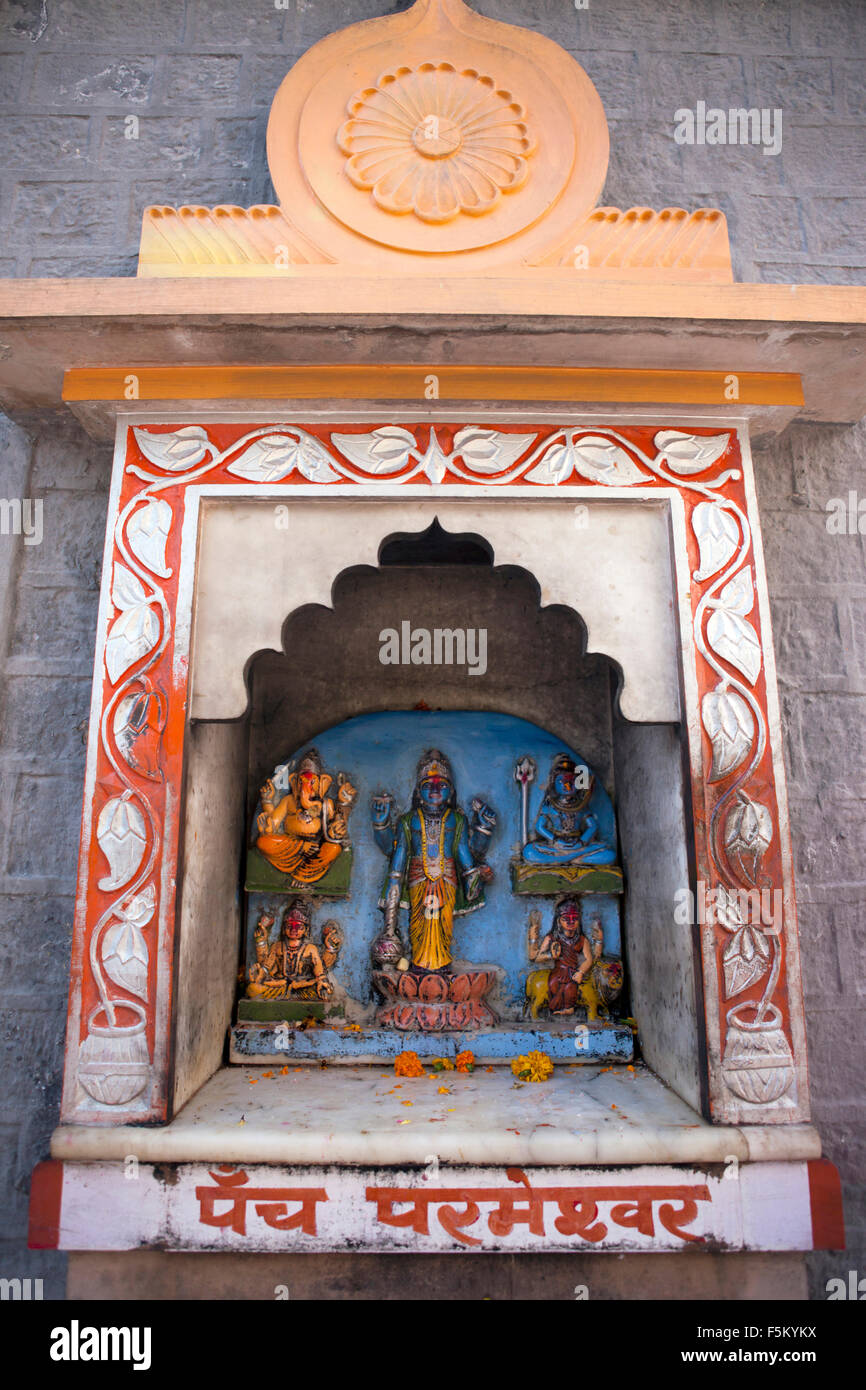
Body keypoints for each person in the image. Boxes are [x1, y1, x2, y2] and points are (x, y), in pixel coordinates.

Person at [371, 749, 494, 973]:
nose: (435, 789)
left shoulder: (457, 820)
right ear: (418, 791)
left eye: (442, 785)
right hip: (418, 879)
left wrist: (476, 874)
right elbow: (396, 854)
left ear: (451, 791)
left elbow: (465, 854)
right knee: (419, 924)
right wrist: (393, 882)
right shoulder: (408, 820)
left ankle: (442, 966)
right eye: (429, 785)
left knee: (443, 926)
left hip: (447, 879)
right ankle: (419, 966)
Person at [522, 752, 616, 865]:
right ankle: (575, 859)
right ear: (553, 783)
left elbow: (592, 826)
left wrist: (582, 841)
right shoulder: (550, 804)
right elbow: (539, 826)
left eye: (572, 782)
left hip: (578, 844)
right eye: (562, 782)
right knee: (529, 852)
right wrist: (555, 840)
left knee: (609, 854)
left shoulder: (581, 805)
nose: (567, 786)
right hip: (557, 845)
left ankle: (565, 859)